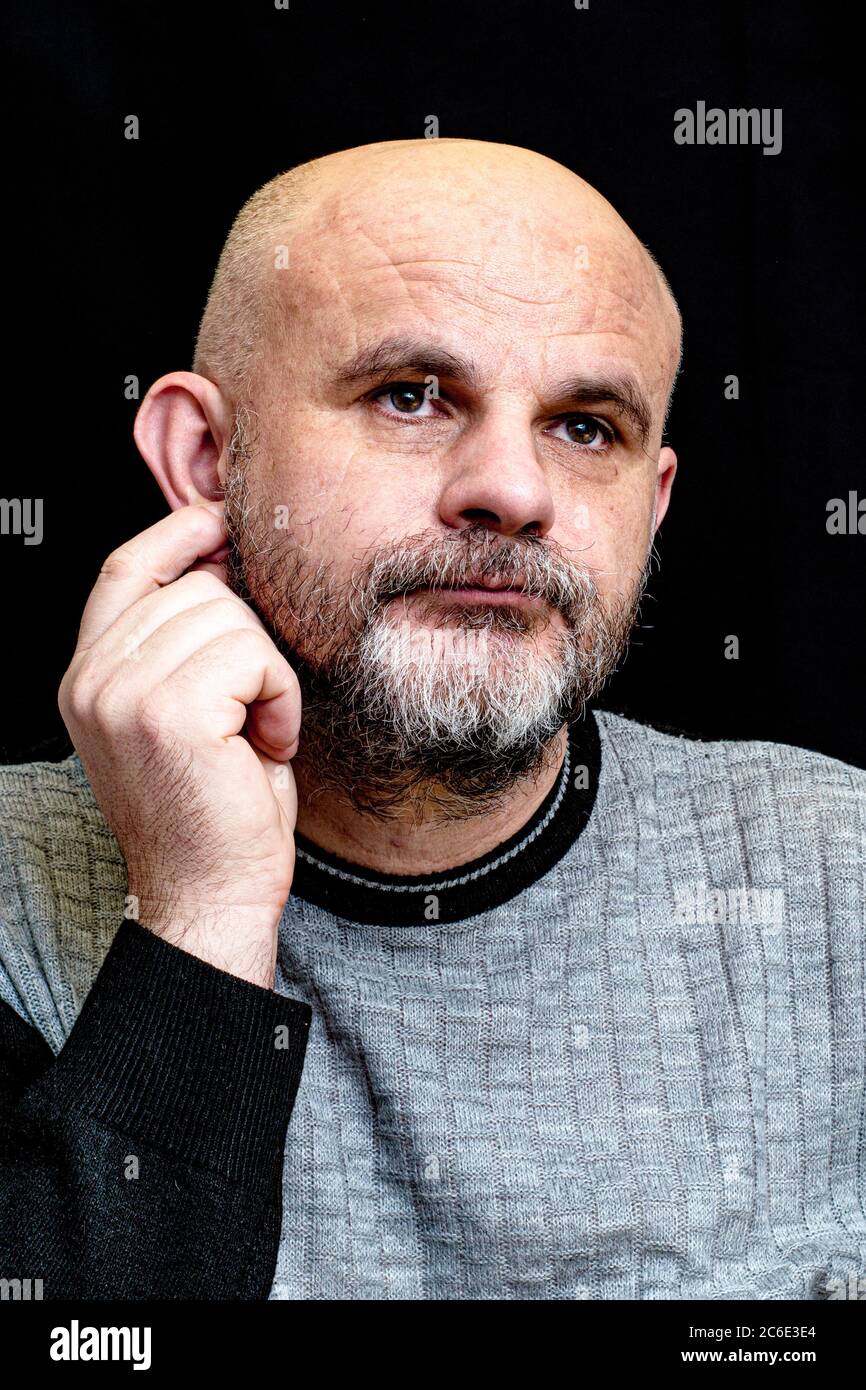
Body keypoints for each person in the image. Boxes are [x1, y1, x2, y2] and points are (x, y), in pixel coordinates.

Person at [1, 139, 863, 1301]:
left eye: (584, 425)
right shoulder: (8, 909)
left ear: (651, 507)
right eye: (409, 396)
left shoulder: (834, 878)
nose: (511, 488)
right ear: (207, 459)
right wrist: (196, 918)